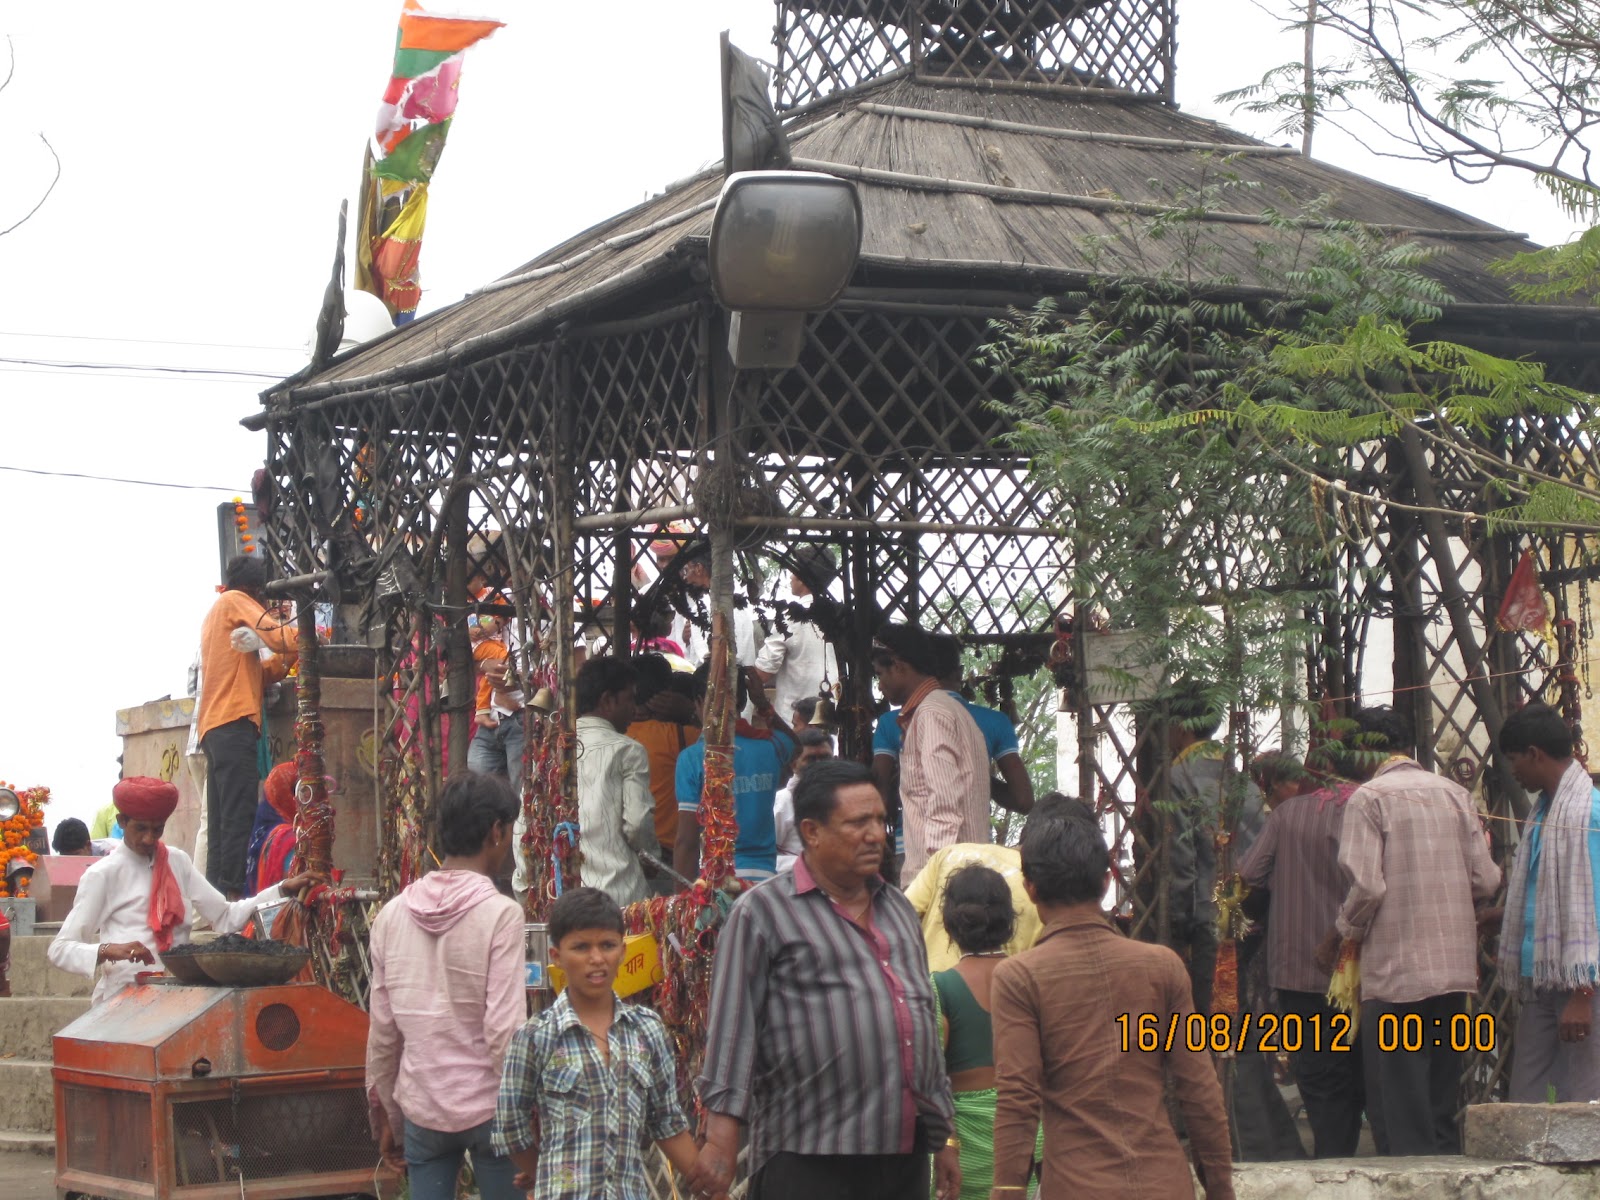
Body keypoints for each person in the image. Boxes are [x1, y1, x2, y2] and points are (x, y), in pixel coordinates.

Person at [690, 760, 958, 1200]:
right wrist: (721, 1139)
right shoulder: (762, 914)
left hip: (902, 1154)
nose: (877, 834)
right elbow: (732, 1033)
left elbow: (921, 1021)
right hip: (807, 1155)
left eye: (880, 820)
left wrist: (944, 1134)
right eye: (858, 822)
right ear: (811, 832)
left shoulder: (899, 911)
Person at [990, 808, 1234, 1200]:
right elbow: (1200, 1091)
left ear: (1030, 888)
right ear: (1106, 881)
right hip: (1164, 1184)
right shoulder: (1163, 968)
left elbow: (1019, 1098)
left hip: (1076, 1186)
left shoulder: (1019, 977)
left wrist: (1006, 1191)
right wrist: (1221, 1190)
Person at [1324, 705, 1500, 1155]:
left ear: (1366, 750)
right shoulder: (1455, 794)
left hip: (1396, 975)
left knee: (1399, 1099)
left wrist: (1341, 933)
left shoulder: (1370, 799)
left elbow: (1366, 887)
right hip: (1453, 973)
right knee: (1440, 1094)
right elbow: (1487, 880)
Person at [366, 772, 526, 1200]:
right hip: (492, 1108)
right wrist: (526, 1114)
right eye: (509, 832)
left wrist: (388, 1117)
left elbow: (384, 1033)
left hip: (422, 1107)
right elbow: (504, 1032)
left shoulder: (390, 917)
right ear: (496, 832)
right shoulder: (501, 915)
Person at [493, 886, 698, 1198]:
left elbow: (667, 1123)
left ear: (622, 951)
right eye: (580, 947)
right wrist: (544, 1172)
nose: (596, 958)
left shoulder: (647, 1030)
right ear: (556, 957)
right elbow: (509, 1129)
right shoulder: (536, 1037)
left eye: (607, 945)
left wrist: (709, 1185)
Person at [48, 777, 312, 1005]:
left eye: (157, 829)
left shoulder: (178, 861)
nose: (149, 839)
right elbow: (59, 949)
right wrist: (107, 950)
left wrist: (281, 890)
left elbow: (225, 916)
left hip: (177, 997)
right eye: (141, 828)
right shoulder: (101, 874)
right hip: (121, 1000)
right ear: (121, 821)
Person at [1238, 749, 1364, 1158]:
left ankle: (1332, 1164)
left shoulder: (1288, 816)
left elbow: (1248, 874)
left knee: (1319, 1078)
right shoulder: (1371, 806)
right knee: (1363, 1070)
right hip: (1363, 974)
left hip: (1300, 971)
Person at [1496, 703, 1600, 1102]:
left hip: (1581, 985)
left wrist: (1582, 996)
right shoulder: (1544, 814)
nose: (1513, 770)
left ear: (1534, 753)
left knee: (1585, 1096)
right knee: (1528, 1093)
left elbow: (1592, 912)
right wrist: (1505, 917)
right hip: (1542, 975)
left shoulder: (1587, 814)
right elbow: (1549, 895)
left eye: (1514, 759)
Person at [1159, 682, 1266, 1015]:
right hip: (1250, 916)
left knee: (1207, 1017)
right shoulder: (1243, 781)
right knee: (1243, 1010)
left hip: (1206, 921)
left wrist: (1178, 927)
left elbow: (1183, 860)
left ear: (1178, 728)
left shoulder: (1177, 778)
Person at [196, 555, 299, 897]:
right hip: (232, 723)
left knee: (222, 822)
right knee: (237, 818)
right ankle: (233, 899)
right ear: (255, 591)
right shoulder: (234, 600)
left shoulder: (218, 612)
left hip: (217, 727)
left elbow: (262, 673)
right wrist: (310, 633)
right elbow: (278, 635)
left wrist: (287, 659)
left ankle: (217, 899)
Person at [932, 864, 1034, 1200]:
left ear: (951, 922)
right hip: (1028, 1148)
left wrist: (944, 1144)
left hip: (962, 1155)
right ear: (1009, 919)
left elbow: (930, 1076)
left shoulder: (941, 987)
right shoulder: (1032, 980)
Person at [872, 623, 990, 877]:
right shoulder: (944, 709)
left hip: (946, 879)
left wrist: (935, 882)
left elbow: (944, 806)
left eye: (880, 674)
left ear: (898, 666)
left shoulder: (932, 714)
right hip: (964, 875)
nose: (880, 685)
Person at [674, 662, 795, 886]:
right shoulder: (769, 747)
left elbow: (687, 841)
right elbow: (795, 745)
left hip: (718, 881)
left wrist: (681, 899)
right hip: (765, 878)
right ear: (742, 700)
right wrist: (762, 704)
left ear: (700, 702)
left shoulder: (692, 758)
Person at [571, 656, 658, 906]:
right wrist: (650, 858)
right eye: (630, 698)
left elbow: (525, 827)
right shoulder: (628, 750)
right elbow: (637, 823)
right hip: (619, 895)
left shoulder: (551, 750)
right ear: (608, 701)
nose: (635, 708)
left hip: (563, 898)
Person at [751, 545, 841, 729]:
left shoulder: (789, 617)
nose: (790, 577)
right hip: (830, 721)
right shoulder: (840, 615)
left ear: (802, 576)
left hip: (793, 724)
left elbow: (763, 672)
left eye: (793, 571)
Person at [625, 654, 701, 864]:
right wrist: (690, 711)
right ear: (667, 695)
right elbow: (721, 741)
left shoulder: (614, 733)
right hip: (667, 857)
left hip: (624, 855)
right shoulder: (681, 736)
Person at [773, 727, 834, 871]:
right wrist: (807, 865)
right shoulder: (783, 801)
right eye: (811, 759)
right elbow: (766, 857)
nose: (819, 764)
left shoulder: (842, 799)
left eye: (825, 758)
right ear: (794, 765)